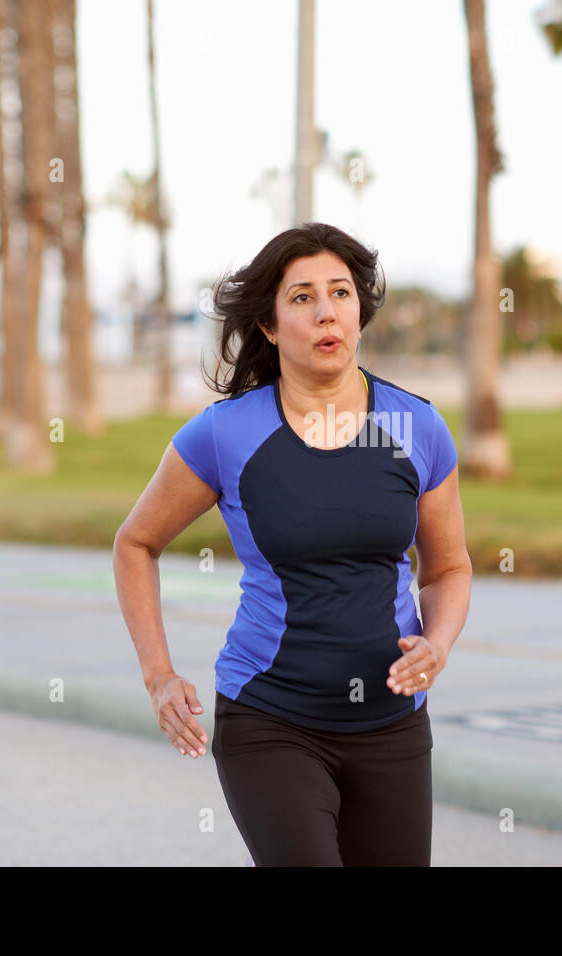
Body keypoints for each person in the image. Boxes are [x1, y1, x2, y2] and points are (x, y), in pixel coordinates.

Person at [113, 222, 472, 866]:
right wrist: (159, 675)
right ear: (272, 327)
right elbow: (136, 543)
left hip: (390, 726)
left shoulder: (416, 426)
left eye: (340, 292)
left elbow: (447, 568)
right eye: (302, 297)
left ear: (360, 311)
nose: (326, 311)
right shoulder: (223, 435)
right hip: (271, 722)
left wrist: (437, 643)